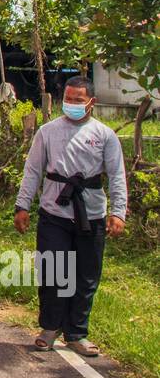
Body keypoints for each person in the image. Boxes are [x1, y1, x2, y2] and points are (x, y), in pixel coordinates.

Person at [14, 76, 127, 357]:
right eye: (69, 99)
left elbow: (116, 175)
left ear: (91, 102)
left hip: (91, 214)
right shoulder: (47, 132)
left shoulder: (104, 135)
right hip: (54, 212)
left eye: (78, 100)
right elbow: (32, 171)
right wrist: (22, 205)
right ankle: (50, 328)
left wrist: (118, 212)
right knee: (53, 272)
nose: (72, 104)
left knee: (86, 275)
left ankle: (77, 332)